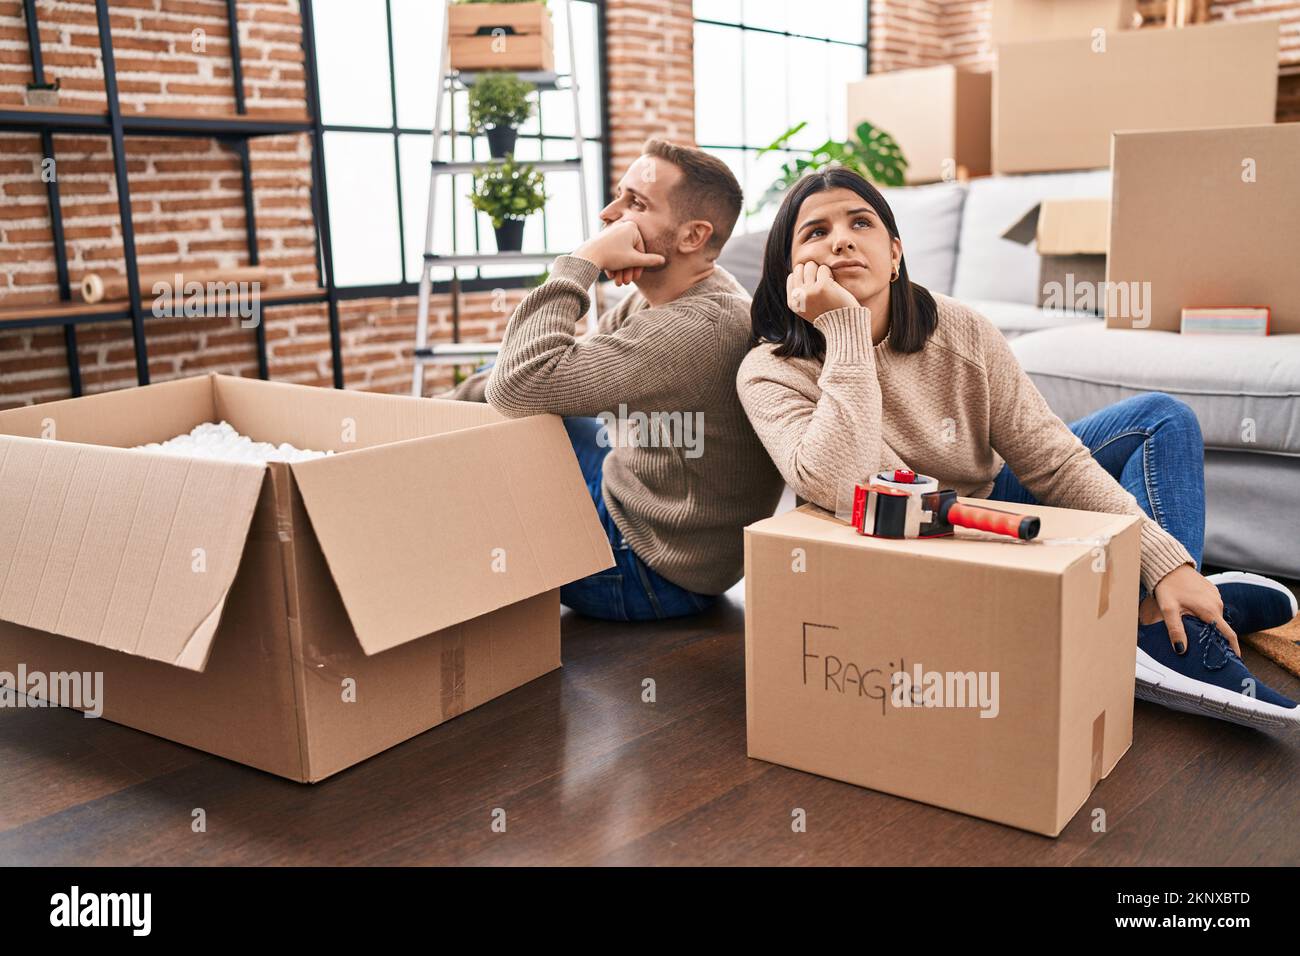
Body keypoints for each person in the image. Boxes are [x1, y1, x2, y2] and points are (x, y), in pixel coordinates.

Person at [735, 165, 1298, 729]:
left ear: (896, 254)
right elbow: (844, 487)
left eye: (861, 222)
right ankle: (1174, 631)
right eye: (815, 232)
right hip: (926, 536)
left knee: (1162, 418)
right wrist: (845, 331)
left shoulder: (960, 329)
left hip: (997, 498)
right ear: (791, 272)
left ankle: (1166, 613)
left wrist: (1166, 563)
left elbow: (1051, 458)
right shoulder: (768, 370)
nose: (841, 239)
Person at [445, 139, 784, 621]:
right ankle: (410, 427)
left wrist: (581, 261)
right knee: (503, 400)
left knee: (492, 444)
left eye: (636, 204)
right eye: (619, 196)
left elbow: (519, 385)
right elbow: (548, 371)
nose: (610, 215)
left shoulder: (694, 329)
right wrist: (436, 411)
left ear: (692, 236)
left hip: (649, 572)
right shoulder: (672, 294)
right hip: (664, 528)